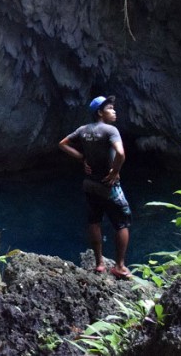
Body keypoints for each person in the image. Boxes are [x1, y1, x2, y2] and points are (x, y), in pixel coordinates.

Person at [59, 95, 133, 278]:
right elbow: (121, 154)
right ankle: (120, 266)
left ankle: (99, 263)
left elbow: (63, 144)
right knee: (122, 223)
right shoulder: (110, 130)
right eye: (110, 108)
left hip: (90, 183)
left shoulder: (83, 130)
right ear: (100, 112)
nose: (114, 111)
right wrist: (115, 171)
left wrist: (82, 158)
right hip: (108, 185)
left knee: (94, 221)